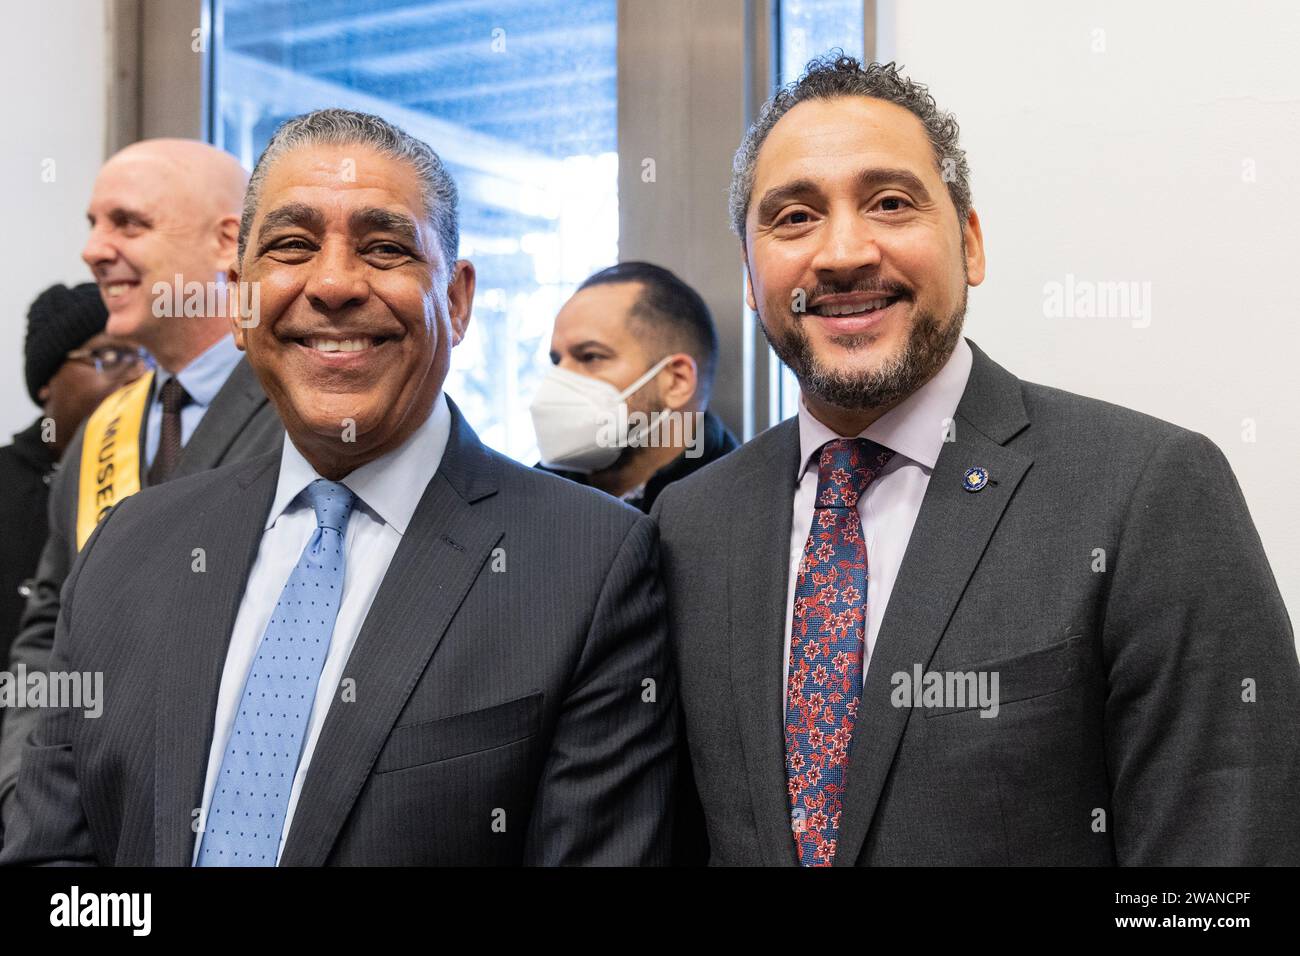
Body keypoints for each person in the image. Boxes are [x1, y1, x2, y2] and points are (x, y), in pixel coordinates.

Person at [653, 55, 1300, 866]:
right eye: (792, 218)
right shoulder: (691, 523)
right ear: (750, 275)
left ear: (970, 242)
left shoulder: (1147, 491)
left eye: (890, 203)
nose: (842, 252)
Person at [0, 108, 676, 866]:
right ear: (239, 303)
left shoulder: (588, 564)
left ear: (456, 302)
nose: (332, 284)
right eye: (291, 246)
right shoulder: (130, 543)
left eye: (385, 248)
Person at [0, 140, 284, 838]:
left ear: (227, 242)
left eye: (127, 224)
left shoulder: (302, 410)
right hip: (86, 837)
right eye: (93, 224)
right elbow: (47, 633)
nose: (94, 250)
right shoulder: (101, 431)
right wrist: (22, 788)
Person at [0, 283, 145, 660]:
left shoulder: (158, 478)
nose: (137, 377)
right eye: (110, 355)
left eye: (147, 358)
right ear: (47, 379)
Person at [531, 261, 737, 511]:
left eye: (590, 357)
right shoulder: (529, 502)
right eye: (556, 360)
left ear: (676, 381)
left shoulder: (743, 510)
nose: (559, 380)